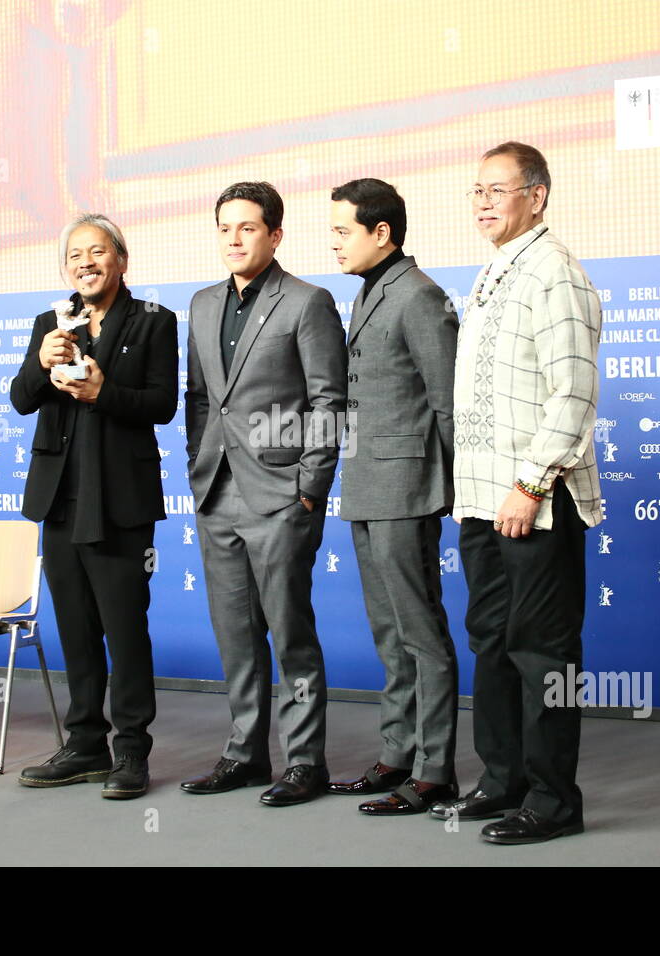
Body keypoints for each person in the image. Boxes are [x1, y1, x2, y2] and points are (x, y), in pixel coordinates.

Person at [429, 143, 603, 844]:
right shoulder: (494, 273)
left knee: (543, 652)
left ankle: (555, 802)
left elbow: (574, 392)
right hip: (480, 500)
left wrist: (531, 484)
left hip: (535, 501)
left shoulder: (554, 272)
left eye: (497, 190)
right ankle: (503, 782)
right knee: (493, 644)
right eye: (476, 190)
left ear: (536, 194)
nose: (482, 202)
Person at [181, 182, 347, 807]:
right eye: (224, 227)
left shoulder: (307, 302)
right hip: (217, 493)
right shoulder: (200, 306)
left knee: (290, 634)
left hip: (282, 495)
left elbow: (330, 399)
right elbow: (201, 398)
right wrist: (200, 466)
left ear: (275, 236)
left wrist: (311, 488)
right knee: (235, 635)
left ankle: (306, 763)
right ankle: (244, 754)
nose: (233, 238)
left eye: (247, 228)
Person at [10, 213, 177, 799]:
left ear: (121, 260)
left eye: (98, 252)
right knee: (76, 630)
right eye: (75, 255)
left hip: (120, 500)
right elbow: (21, 400)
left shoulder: (155, 321)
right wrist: (41, 360)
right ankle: (84, 745)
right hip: (60, 498)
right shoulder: (51, 323)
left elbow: (161, 404)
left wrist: (105, 393)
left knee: (125, 630)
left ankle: (131, 751)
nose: (86, 262)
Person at [323, 179, 461, 815]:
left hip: (407, 491)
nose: (334, 244)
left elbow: (448, 406)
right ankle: (397, 754)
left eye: (343, 231)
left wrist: (463, 494)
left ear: (382, 234)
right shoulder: (368, 295)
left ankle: (436, 771)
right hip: (366, 487)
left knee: (421, 632)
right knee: (388, 633)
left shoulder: (421, 297)